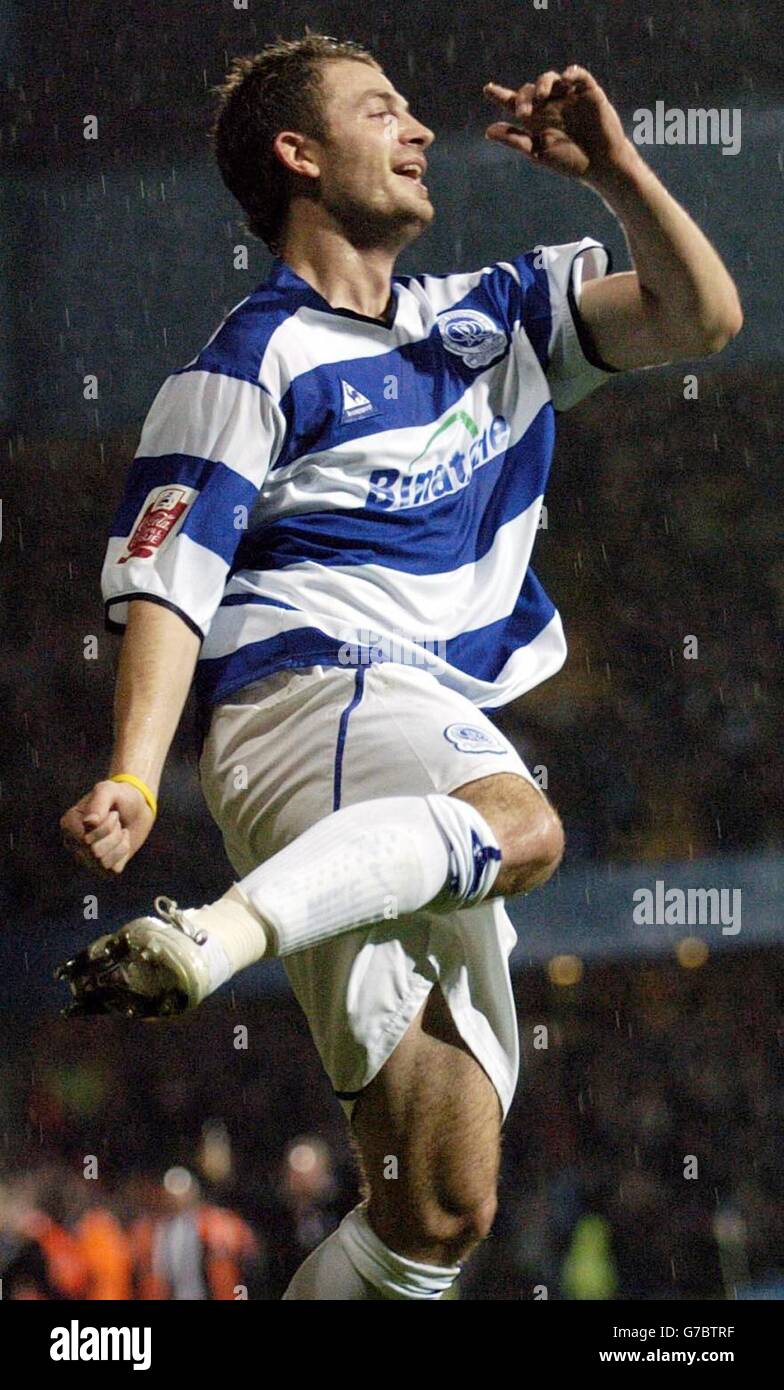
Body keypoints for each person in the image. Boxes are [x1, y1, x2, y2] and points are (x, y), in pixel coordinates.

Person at [59, 33, 742, 1299]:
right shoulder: (248, 360)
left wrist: (617, 174)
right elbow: (168, 583)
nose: (420, 130)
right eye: (384, 110)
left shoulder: (488, 316)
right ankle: (211, 942)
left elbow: (700, 315)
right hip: (310, 698)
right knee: (522, 823)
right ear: (300, 154)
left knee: (435, 1208)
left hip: (396, 753)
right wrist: (137, 780)